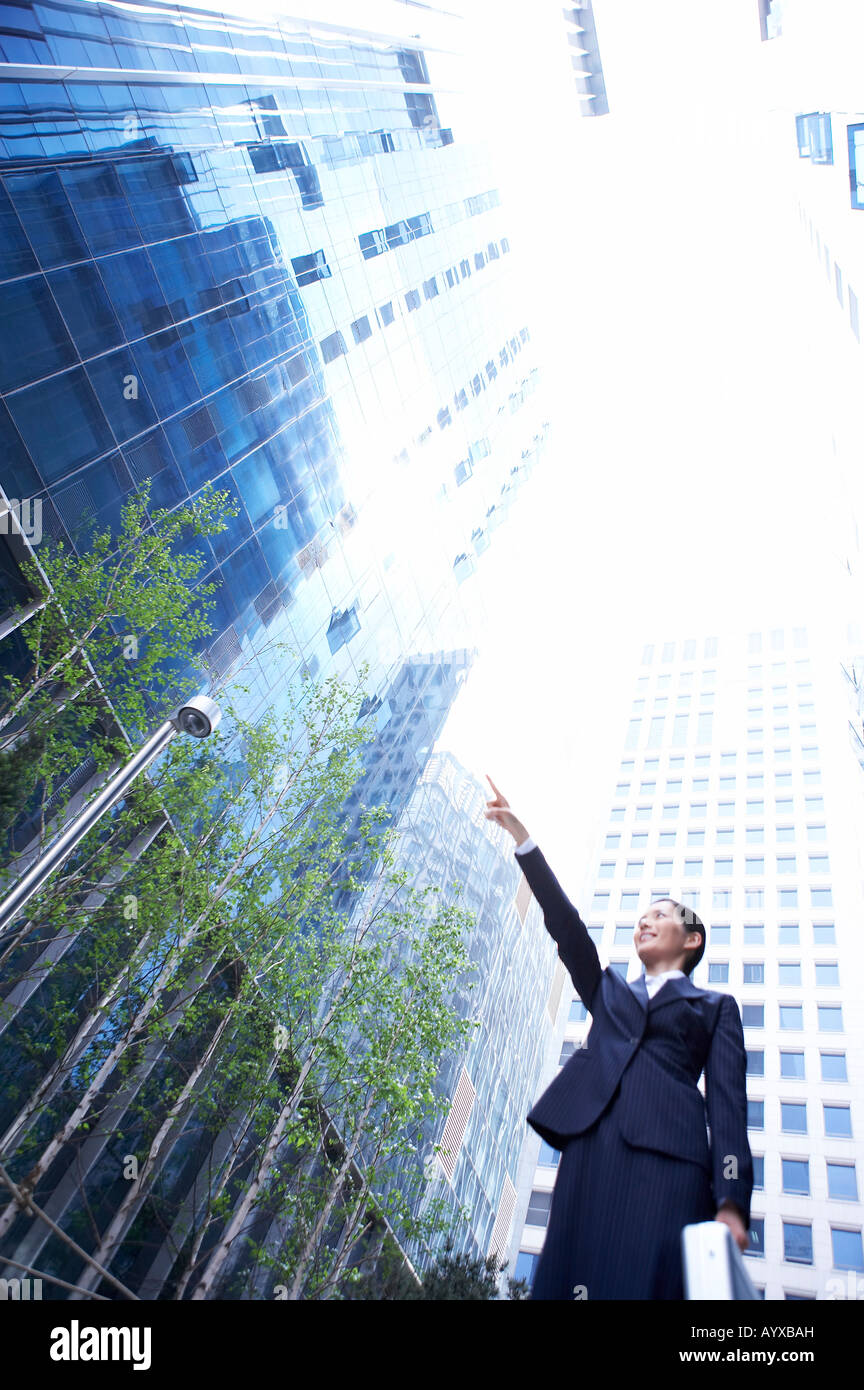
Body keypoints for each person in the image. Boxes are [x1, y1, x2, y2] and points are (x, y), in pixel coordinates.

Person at [485, 775, 753, 1301]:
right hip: (592, 1149)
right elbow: (567, 928)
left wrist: (730, 1202)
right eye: (642, 916)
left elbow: (727, 1109)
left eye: (661, 915)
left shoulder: (716, 1008)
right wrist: (523, 839)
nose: (645, 921)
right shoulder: (608, 991)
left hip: (672, 1162)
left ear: (691, 938)